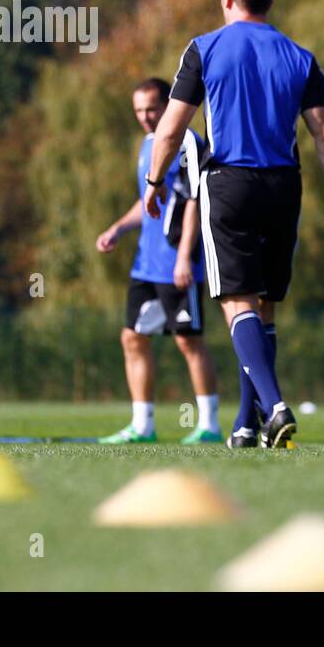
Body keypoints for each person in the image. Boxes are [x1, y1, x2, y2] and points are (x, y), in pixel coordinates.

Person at [144, 0, 324, 449]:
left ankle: (275, 404)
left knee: (237, 301)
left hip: (230, 184)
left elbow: (171, 128)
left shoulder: (204, 49)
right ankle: (246, 423)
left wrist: (156, 181)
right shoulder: (300, 56)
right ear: (270, 3)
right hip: (284, 186)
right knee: (264, 306)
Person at [95, 78, 221, 444]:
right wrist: (118, 228)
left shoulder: (188, 144)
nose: (145, 117)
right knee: (132, 337)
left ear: (169, 103)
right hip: (145, 264)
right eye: (138, 111)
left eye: (151, 108)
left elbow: (196, 200)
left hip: (178, 264)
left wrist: (184, 257)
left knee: (188, 341)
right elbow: (149, 200)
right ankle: (142, 425)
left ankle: (209, 426)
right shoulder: (148, 145)